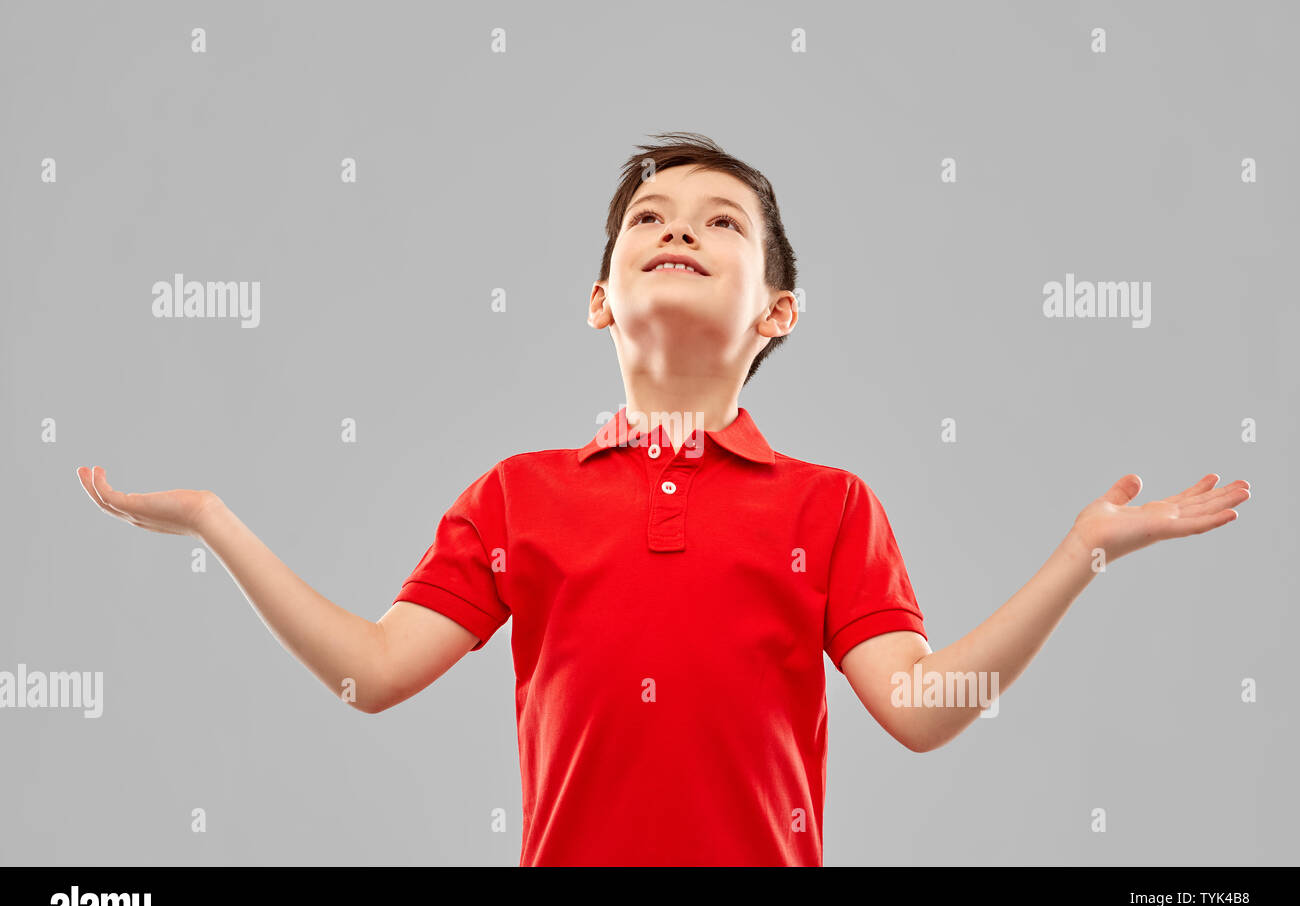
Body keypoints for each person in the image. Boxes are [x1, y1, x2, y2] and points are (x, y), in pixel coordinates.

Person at [77, 132, 1250, 866]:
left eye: (719, 222)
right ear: (598, 299)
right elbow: (373, 672)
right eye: (649, 218)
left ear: (777, 312)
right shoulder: (516, 495)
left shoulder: (831, 507)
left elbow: (925, 706)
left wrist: (1080, 554)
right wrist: (218, 524)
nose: (677, 227)